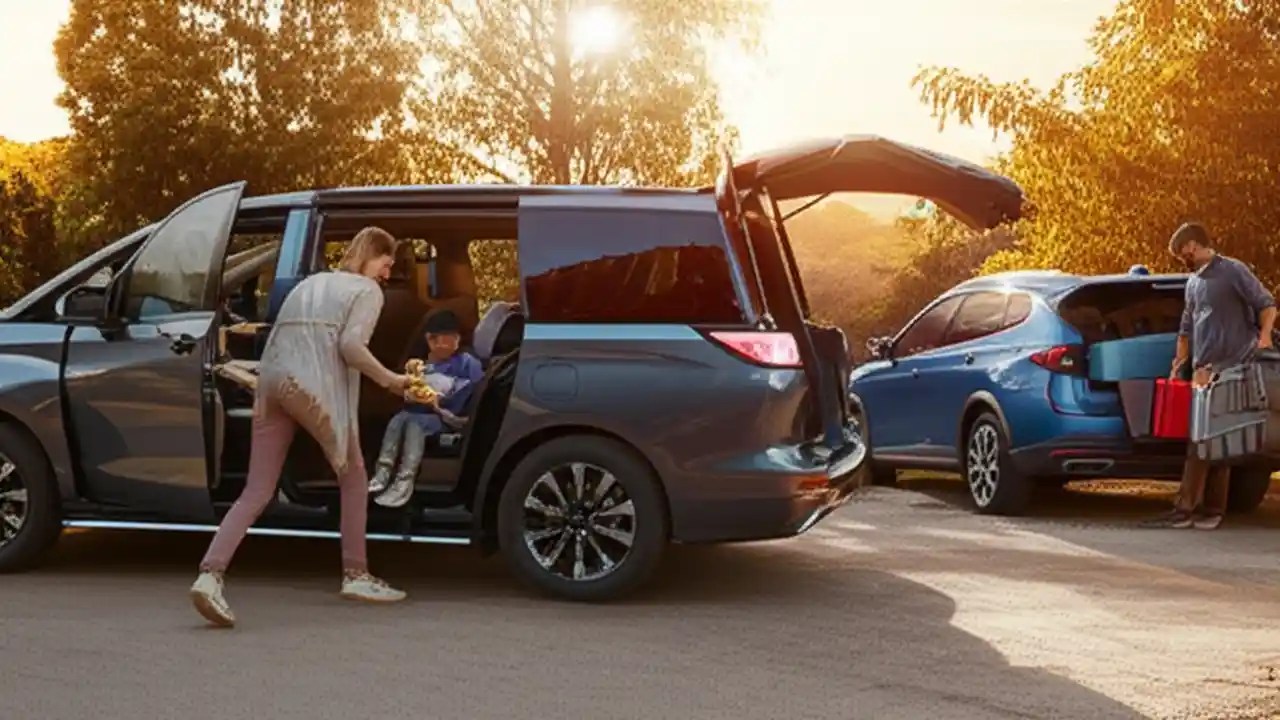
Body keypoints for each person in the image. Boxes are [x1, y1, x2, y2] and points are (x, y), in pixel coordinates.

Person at [190, 227, 412, 628]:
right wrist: (392, 380)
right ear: (371, 256)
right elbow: (350, 347)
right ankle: (356, 574)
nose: (387, 272)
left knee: (257, 489)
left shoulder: (313, 283)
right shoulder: (366, 292)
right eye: (386, 262)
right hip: (312, 387)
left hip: (272, 382)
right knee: (354, 475)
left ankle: (210, 574)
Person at [1142, 222, 1276, 530]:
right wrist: (1179, 364)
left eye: (1181, 253)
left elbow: (1266, 304)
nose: (1182, 259)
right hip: (1203, 370)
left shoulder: (1232, 271)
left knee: (1215, 438)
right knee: (1204, 437)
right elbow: (1186, 328)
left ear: (1191, 245)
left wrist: (1265, 337)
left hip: (1235, 365)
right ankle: (1202, 510)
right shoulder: (1193, 283)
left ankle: (1194, 509)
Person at [370, 310, 484, 508]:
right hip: (418, 410)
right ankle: (383, 471)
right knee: (397, 421)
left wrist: (442, 401)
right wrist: (409, 394)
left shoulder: (466, 362)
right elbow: (403, 387)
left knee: (415, 426)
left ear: (457, 339)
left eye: (448, 339)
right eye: (435, 339)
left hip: (444, 417)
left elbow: (476, 389)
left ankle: (405, 480)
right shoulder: (422, 365)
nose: (441, 344)